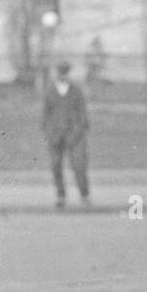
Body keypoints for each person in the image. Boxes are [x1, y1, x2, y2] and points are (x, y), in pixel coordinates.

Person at [43, 61, 90, 208]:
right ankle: (60, 195)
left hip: (74, 134)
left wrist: (78, 131)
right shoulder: (50, 91)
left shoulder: (76, 91)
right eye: (60, 72)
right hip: (56, 134)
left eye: (65, 72)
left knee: (79, 165)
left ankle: (84, 195)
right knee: (56, 165)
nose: (62, 75)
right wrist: (50, 132)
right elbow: (46, 114)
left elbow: (83, 114)